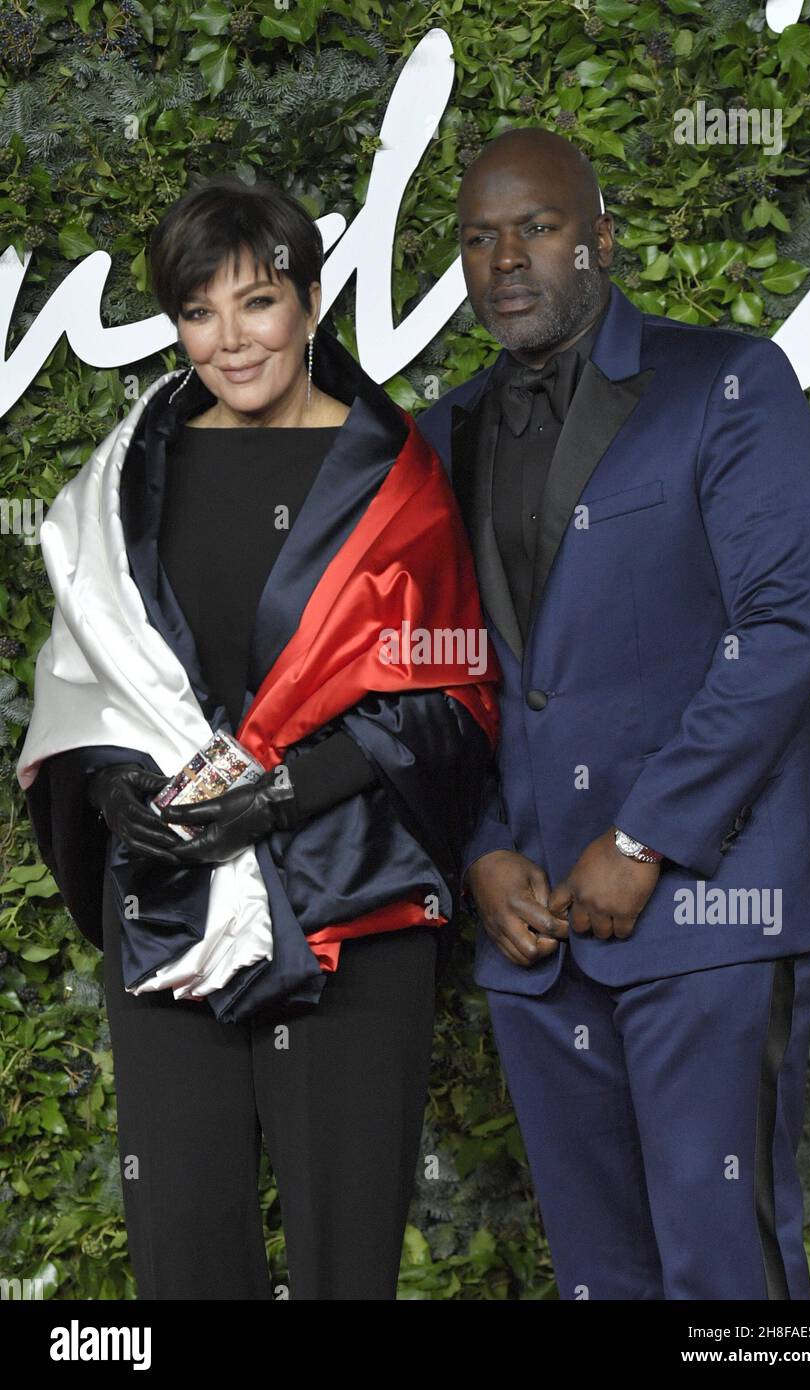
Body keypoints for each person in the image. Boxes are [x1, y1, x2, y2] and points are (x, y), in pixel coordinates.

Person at [17, 174, 500, 1300]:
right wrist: (111, 794)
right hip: (172, 898)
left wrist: (279, 796)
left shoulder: (393, 482)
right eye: (198, 311)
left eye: (257, 302)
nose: (229, 340)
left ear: (311, 300)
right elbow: (87, 686)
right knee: (182, 1245)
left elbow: (446, 701)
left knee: (345, 1251)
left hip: (350, 898)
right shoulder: (126, 480)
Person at [416, 126, 810, 1300]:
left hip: (713, 903)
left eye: (538, 226)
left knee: (723, 1271)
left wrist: (641, 835)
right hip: (535, 933)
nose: (506, 256)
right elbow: (437, 679)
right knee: (598, 1275)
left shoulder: (725, 379)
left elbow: (782, 630)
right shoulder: (436, 438)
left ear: (598, 237)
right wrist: (480, 851)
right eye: (478, 237)